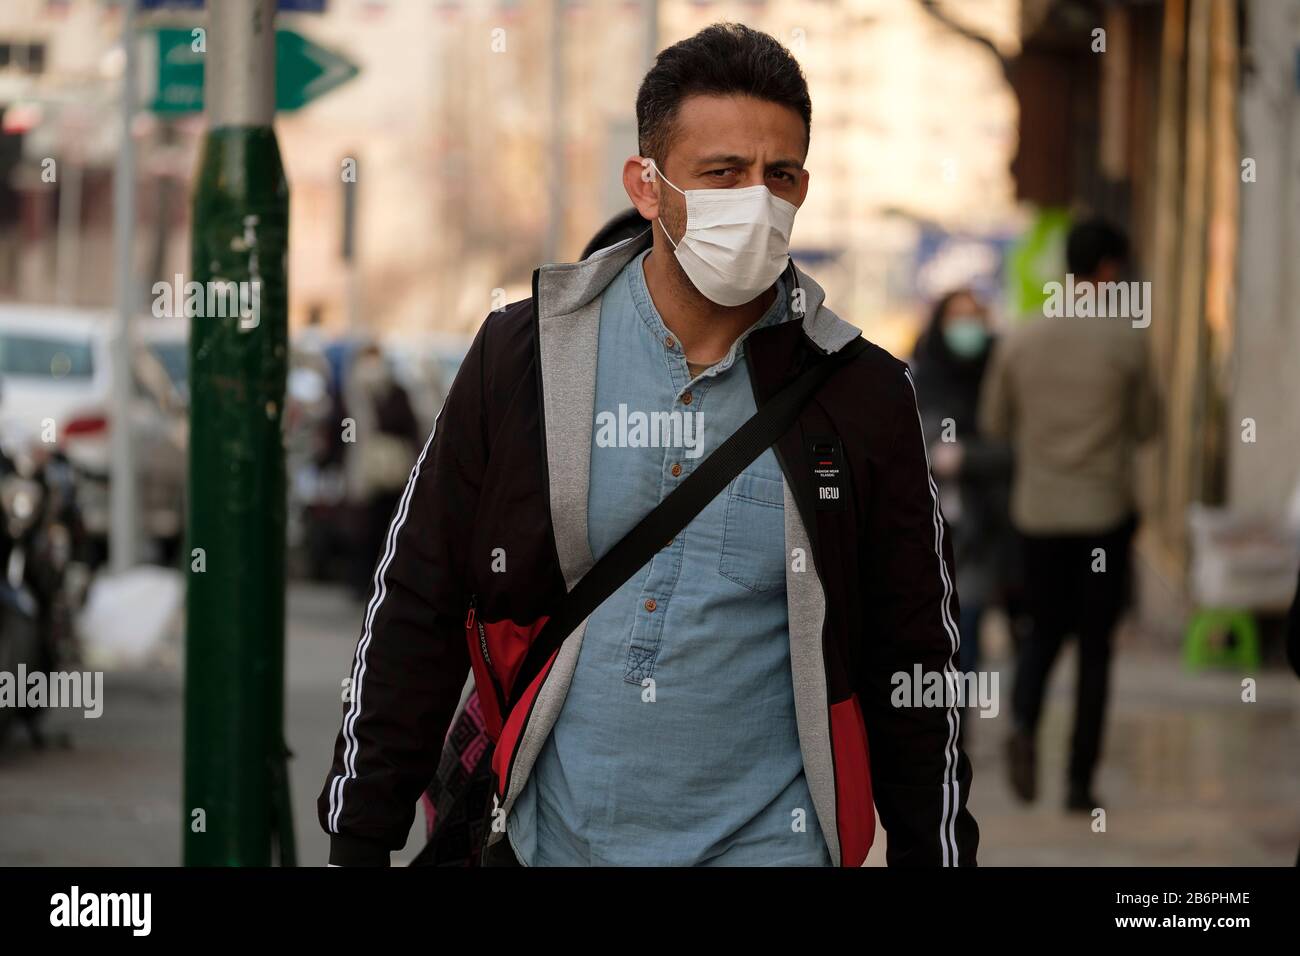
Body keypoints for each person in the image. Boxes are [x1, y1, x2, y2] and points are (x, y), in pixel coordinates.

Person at [320, 23, 977, 867]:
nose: (757, 201)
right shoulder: (527, 358)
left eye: (780, 176)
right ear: (648, 185)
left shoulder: (860, 394)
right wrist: (359, 836)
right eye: (722, 173)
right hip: (551, 840)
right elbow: (419, 601)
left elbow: (916, 659)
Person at [979, 217, 1159, 812]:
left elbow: (996, 424)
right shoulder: (1128, 340)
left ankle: (1025, 724)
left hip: (1039, 514)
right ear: (1109, 269)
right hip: (1103, 514)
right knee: (1097, 649)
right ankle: (1080, 782)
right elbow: (1148, 425)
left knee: (1043, 630)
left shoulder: (1023, 337)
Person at [909, 290, 1014, 723]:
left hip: (983, 526)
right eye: (958, 317)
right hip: (926, 526)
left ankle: (959, 727)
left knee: (967, 626)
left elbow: (1016, 447)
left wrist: (967, 457)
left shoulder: (1000, 371)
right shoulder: (918, 374)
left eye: (975, 317)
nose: (967, 328)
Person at [342, 344, 423, 601]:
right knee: (375, 527)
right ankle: (368, 580)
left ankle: (369, 581)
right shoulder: (359, 391)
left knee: (375, 526)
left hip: (381, 469)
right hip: (376, 469)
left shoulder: (372, 391)